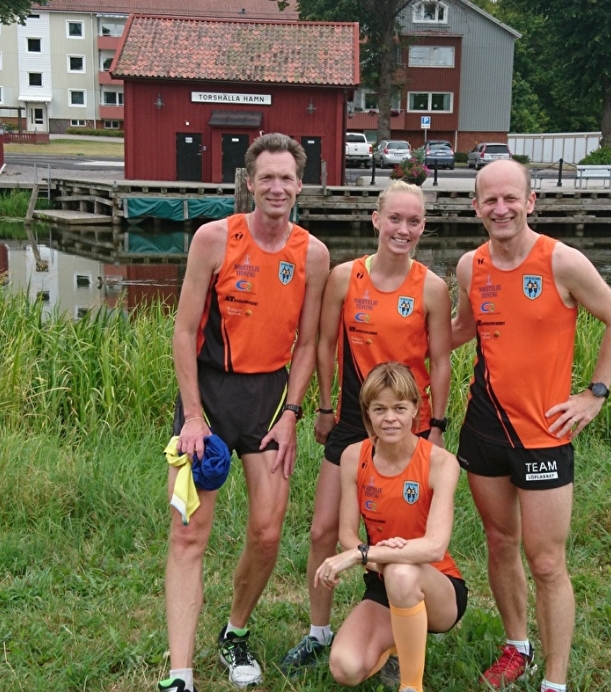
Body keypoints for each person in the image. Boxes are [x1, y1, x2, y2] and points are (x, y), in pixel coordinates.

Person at [451, 160, 611, 691]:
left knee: (547, 561)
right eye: (490, 200)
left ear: (531, 202)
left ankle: (555, 680)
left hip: (545, 435)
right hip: (484, 428)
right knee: (499, 540)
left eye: (511, 198)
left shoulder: (562, 262)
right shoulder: (470, 267)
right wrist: (396, 340)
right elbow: (461, 329)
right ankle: (517, 647)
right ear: (476, 207)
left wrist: (595, 394)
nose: (500, 209)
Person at [160, 133, 330, 692]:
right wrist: (190, 416)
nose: (276, 187)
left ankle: (234, 633)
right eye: (267, 178)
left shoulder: (312, 253)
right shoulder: (214, 239)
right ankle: (180, 674)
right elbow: (184, 332)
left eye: (287, 178)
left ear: (299, 185)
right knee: (189, 536)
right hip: (206, 400)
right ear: (250, 183)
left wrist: (294, 414)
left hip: (269, 405)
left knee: (266, 533)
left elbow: (307, 345)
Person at [281, 181, 452, 674]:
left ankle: (402, 632)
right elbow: (323, 344)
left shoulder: (432, 288)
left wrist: (435, 425)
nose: (403, 229)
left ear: (423, 227)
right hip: (354, 421)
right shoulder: (344, 277)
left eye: (414, 221)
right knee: (323, 530)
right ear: (376, 220)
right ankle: (318, 632)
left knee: (404, 538)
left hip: (406, 426)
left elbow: (440, 362)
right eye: (395, 219)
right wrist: (324, 406)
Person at [314, 362, 467, 692]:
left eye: (400, 408)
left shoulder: (441, 462)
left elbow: (434, 547)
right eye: (379, 409)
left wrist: (362, 554)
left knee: (402, 571)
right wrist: (371, 555)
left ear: (416, 409)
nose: (390, 418)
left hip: (437, 584)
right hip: (383, 579)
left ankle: (411, 686)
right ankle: (399, 641)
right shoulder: (355, 456)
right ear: (368, 414)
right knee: (346, 668)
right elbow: (346, 535)